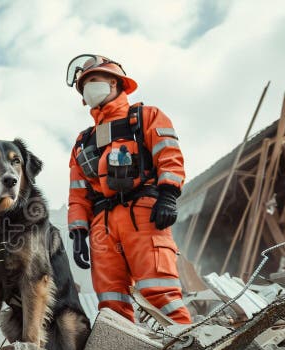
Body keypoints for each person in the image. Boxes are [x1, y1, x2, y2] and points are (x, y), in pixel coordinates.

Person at [65, 54, 191, 324]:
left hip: (144, 214)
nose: (88, 88)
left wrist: (168, 195)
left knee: (160, 292)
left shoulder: (146, 117)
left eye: (93, 80)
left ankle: (187, 343)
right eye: (84, 85)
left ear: (114, 82)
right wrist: (78, 231)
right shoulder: (83, 141)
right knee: (111, 304)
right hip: (101, 226)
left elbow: (169, 156)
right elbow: (78, 192)